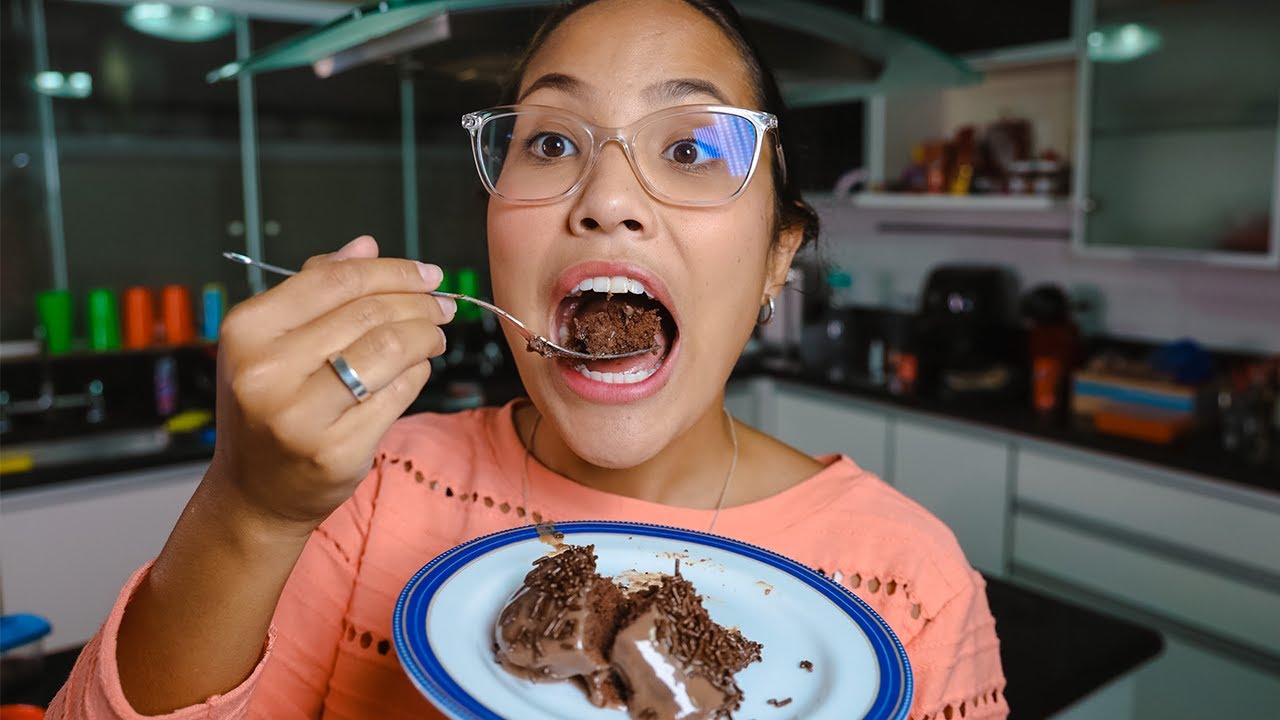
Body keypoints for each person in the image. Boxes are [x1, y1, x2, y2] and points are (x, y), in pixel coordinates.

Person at [49, 1, 1007, 718]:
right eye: (551, 140)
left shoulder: (910, 586)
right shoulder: (364, 492)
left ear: (775, 258)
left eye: (689, 149)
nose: (608, 200)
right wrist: (248, 509)